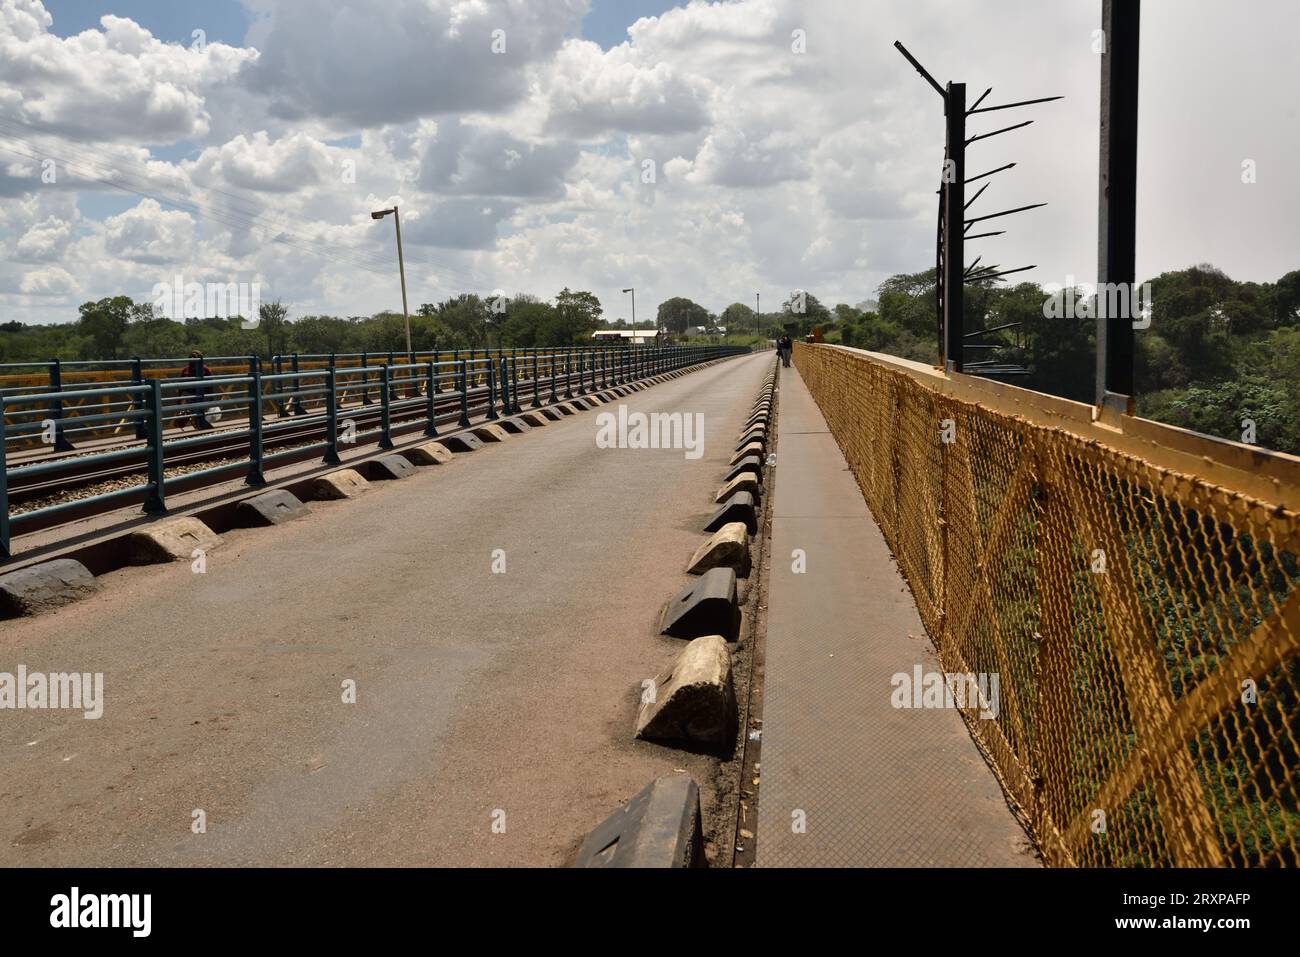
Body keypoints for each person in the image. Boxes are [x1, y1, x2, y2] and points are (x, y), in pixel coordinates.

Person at [177, 351, 215, 430]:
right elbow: (180, 386)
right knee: (192, 405)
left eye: (195, 358)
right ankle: (198, 423)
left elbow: (211, 385)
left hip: (203, 395)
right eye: (191, 358)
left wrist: (211, 397)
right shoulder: (185, 370)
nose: (193, 360)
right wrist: (178, 400)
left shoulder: (205, 370)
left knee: (197, 407)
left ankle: (199, 423)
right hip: (189, 395)